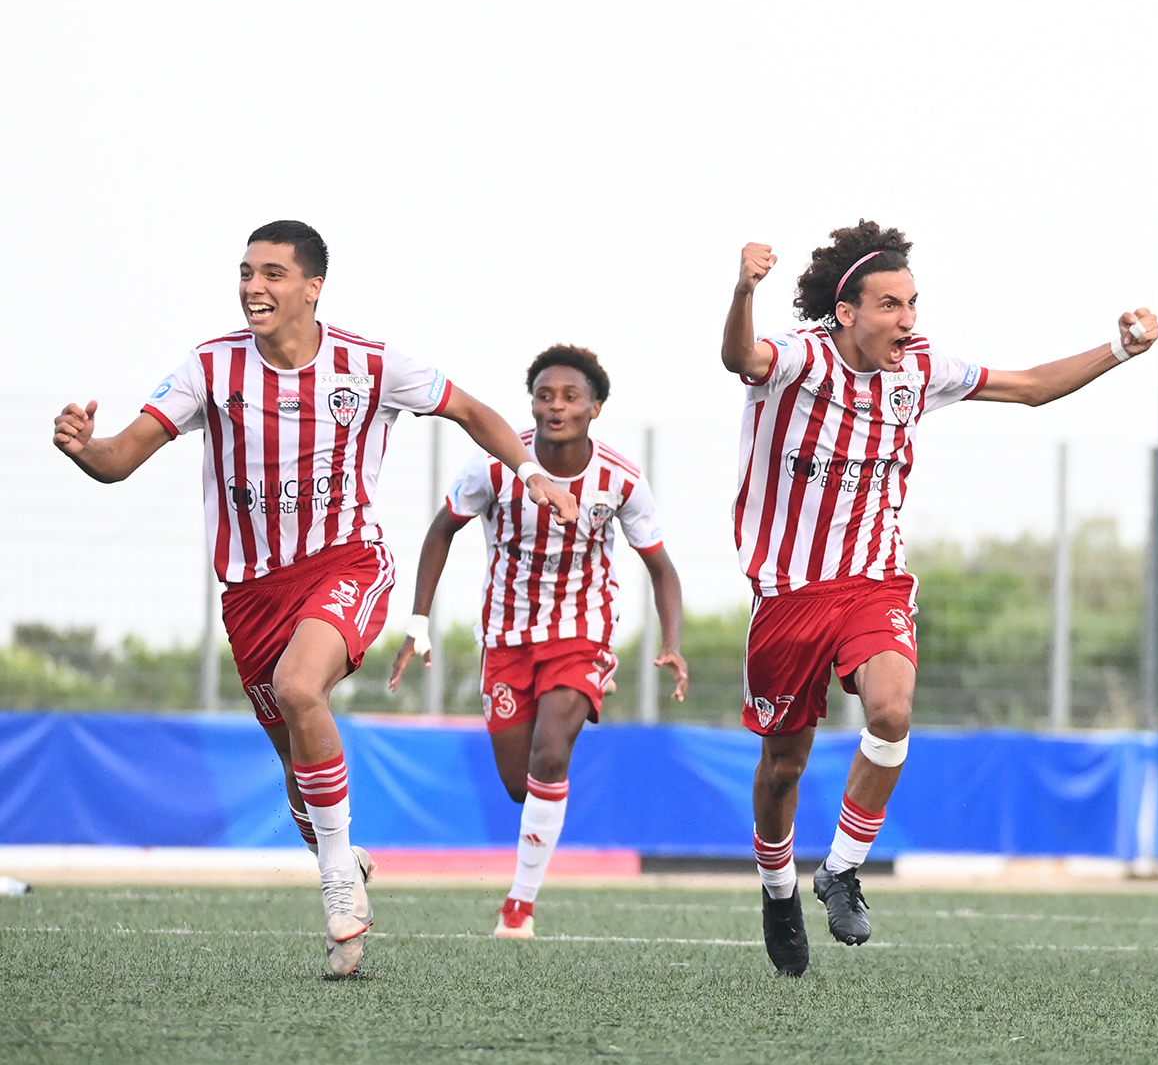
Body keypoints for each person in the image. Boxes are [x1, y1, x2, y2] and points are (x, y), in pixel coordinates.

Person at [50, 221, 579, 978]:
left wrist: (530, 473)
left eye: (271, 273)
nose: (253, 286)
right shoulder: (210, 367)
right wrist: (84, 449)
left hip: (347, 563)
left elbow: (473, 411)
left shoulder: (368, 364)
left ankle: (336, 886)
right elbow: (121, 457)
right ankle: (342, 858)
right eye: (244, 272)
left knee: (302, 685)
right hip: (253, 596)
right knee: (300, 778)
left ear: (312, 286)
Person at [722, 220, 1157, 977]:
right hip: (788, 593)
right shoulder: (800, 357)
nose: (907, 319)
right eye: (890, 304)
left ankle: (843, 868)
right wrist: (743, 290)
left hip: (873, 582)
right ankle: (776, 884)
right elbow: (740, 356)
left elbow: (1027, 388)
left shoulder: (919, 370)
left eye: (913, 303)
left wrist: (1117, 348)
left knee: (891, 711)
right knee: (783, 763)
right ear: (847, 311)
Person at [388, 344, 688, 938]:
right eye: (545, 395)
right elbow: (440, 531)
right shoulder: (496, 466)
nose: (556, 406)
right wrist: (418, 622)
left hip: (582, 633)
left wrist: (672, 641)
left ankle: (519, 906)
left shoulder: (620, 479)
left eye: (571, 397)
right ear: (532, 403)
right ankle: (529, 862)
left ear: (594, 409)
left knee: (553, 751)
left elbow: (661, 567)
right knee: (521, 782)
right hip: (505, 637)